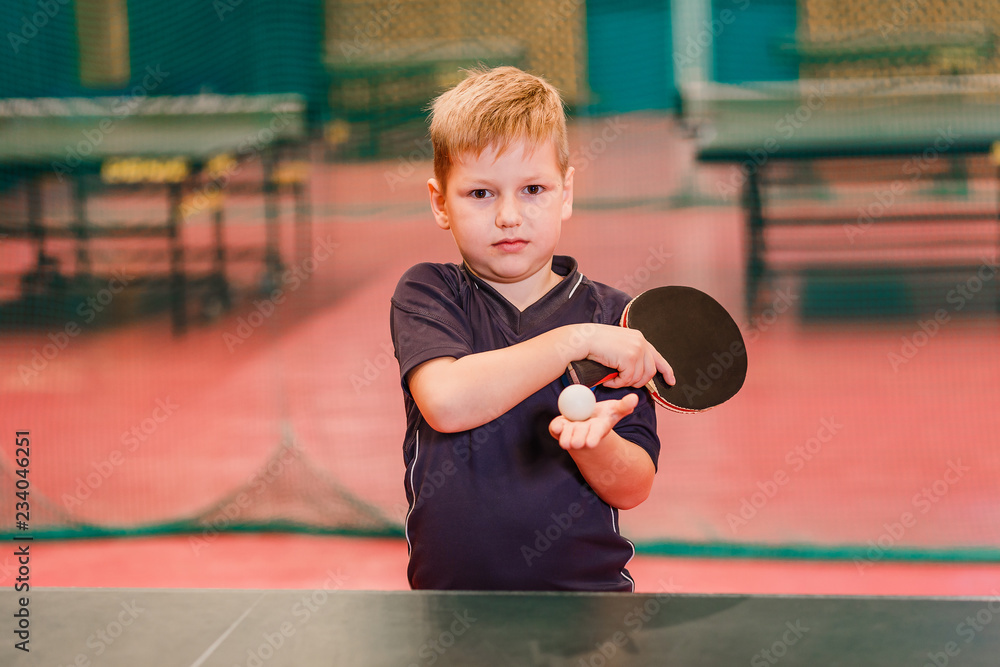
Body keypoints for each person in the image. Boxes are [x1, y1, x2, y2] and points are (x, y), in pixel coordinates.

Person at [390, 66, 674, 591]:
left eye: (533, 189)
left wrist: (594, 447)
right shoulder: (428, 292)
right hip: (448, 608)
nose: (509, 216)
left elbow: (633, 487)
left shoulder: (618, 319)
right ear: (440, 203)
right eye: (481, 194)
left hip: (587, 603)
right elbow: (448, 403)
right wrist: (578, 340)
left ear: (565, 192)